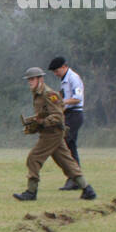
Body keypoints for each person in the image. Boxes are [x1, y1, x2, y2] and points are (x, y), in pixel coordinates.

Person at [14, 67, 96, 201]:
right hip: (50, 133)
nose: (30, 82)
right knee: (67, 162)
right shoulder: (38, 93)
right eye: (28, 79)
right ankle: (88, 190)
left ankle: (31, 192)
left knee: (33, 158)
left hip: (52, 133)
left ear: (40, 79)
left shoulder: (49, 94)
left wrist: (42, 122)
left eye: (32, 79)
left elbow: (58, 116)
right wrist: (36, 121)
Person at [47, 57, 86, 190]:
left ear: (64, 67)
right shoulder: (64, 80)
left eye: (56, 71)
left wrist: (63, 103)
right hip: (68, 114)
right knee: (68, 144)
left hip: (75, 114)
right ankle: (75, 177)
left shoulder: (73, 78)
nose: (56, 74)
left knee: (67, 144)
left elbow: (77, 98)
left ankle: (74, 177)